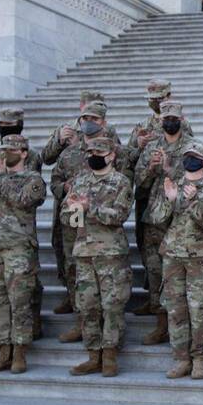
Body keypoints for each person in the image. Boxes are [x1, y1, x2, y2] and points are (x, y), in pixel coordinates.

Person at [0, 133, 47, 375]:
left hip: (19, 247)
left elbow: (24, 201)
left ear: (24, 153)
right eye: (2, 149)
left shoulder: (33, 179)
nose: (5, 154)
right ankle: (3, 351)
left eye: (11, 150)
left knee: (20, 301)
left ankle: (20, 352)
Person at [43, 90, 120, 317]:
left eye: (95, 113)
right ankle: (74, 300)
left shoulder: (109, 136)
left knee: (94, 260)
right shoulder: (68, 137)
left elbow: (122, 166)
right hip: (72, 209)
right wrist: (59, 141)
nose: (88, 120)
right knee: (69, 254)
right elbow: (49, 163)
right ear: (80, 108)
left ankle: (93, 310)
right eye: (86, 112)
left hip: (98, 211)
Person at [153, 140, 203, 380]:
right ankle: (181, 358)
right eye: (187, 156)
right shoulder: (173, 184)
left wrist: (194, 201)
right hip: (174, 255)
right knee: (176, 310)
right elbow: (156, 219)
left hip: (201, 257)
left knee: (200, 310)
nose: (190, 159)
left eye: (195, 156)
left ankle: (199, 358)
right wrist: (171, 201)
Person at [62, 136, 134, 377]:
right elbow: (67, 219)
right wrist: (75, 211)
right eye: (89, 151)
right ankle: (93, 355)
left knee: (112, 305)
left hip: (111, 253)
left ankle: (110, 355)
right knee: (87, 306)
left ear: (111, 155)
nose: (93, 155)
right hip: (84, 253)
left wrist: (89, 209)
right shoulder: (80, 182)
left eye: (98, 151)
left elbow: (119, 216)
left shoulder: (121, 182)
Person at [123, 80, 193, 315]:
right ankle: (156, 302)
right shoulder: (142, 127)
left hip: (178, 205)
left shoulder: (185, 129)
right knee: (149, 253)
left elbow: (192, 163)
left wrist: (168, 168)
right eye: (152, 98)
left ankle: (171, 308)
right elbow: (130, 162)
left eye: (160, 97)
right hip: (150, 201)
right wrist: (140, 147)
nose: (157, 102)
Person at [133, 101, 194, 345]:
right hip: (155, 219)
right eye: (166, 117)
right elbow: (139, 181)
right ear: (160, 120)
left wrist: (169, 170)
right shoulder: (151, 148)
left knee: (181, 277)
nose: (169, 121)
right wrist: (150, 168)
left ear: (181, 118)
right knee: (156, 272)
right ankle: (161, 324)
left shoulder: (192, 147)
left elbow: (197, 179)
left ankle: (182, 327)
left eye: (173, 117)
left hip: (180, 220)